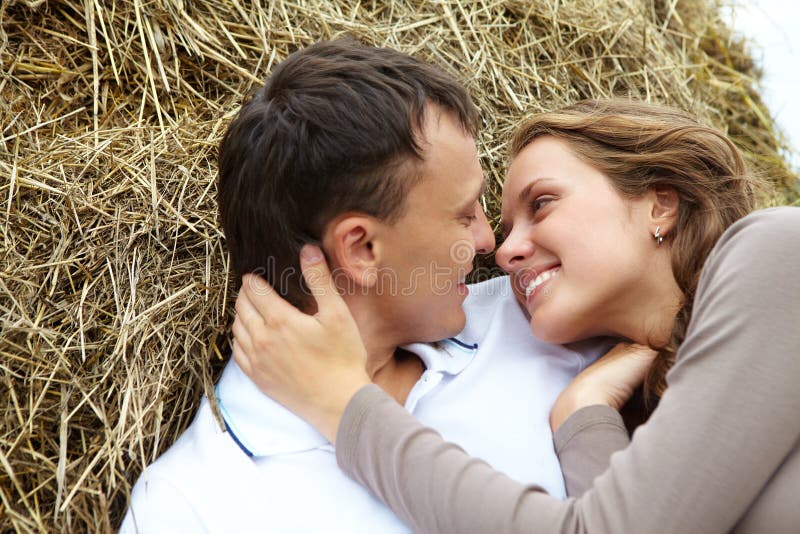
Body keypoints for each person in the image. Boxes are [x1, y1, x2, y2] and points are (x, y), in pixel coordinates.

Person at [233, 99, 800, 532]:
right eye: (505, 230)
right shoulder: (654, 411)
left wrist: (344, 404)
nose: (502, 251)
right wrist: (587, 411)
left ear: (659, 202)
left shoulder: (773, 255)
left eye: (542, 203)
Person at [121, 40, 617, 533]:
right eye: (464, 215)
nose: (490, 242)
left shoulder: (541, 323)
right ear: (361, 248)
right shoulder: (188, 508)